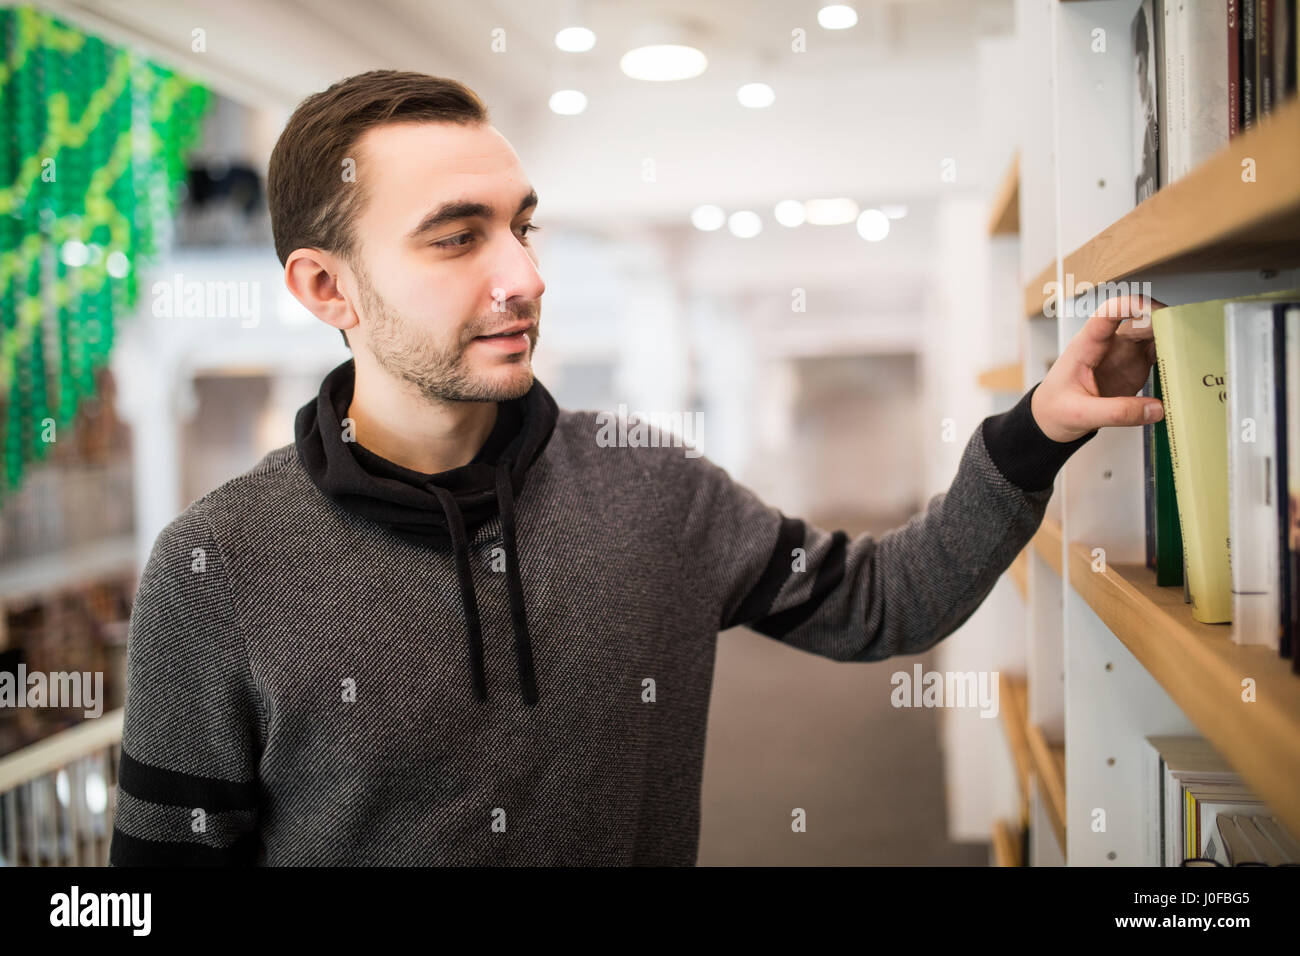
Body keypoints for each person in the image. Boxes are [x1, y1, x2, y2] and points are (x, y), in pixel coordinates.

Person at [109, 70, 1164, 866]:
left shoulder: (651, 486)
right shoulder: (216, 569)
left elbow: (884, 601)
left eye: (520, 227)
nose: (524, 275)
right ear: (325, 288)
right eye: (456, 238)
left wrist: (1038, 426)